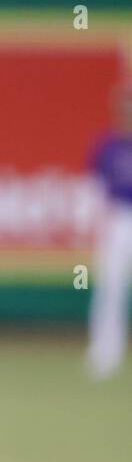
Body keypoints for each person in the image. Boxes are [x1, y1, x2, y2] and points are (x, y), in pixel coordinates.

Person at [87, 81, 132, 380]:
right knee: (110, 286)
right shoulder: (107, 145)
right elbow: (95, 187)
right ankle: (105, 352)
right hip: (117, 218)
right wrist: (97, 221)